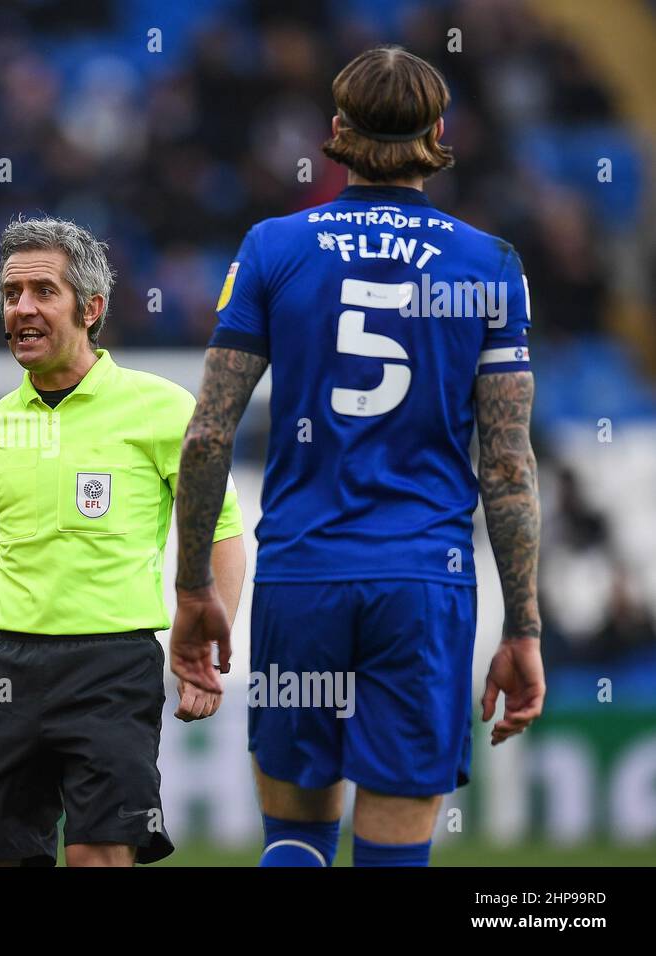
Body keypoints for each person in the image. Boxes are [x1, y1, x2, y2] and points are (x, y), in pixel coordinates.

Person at [170, 46, 546, 868]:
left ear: (336, 131)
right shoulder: (490, 266)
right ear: (440, 133)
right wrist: (523, 625)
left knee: (297, 843)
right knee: (393, 852)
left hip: (301, 576)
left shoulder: (274, 248)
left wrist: (194, 585)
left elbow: (205, 437)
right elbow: (508, 466)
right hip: (422, 581)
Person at [0, 217, 246, 867]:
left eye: (44, 291)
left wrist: (205, 637)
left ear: (91, 308)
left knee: (98, 854)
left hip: (111, 667)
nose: (23, 309)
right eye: (12, 295)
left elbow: (224, 537)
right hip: (8, 667)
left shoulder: (162, 408)